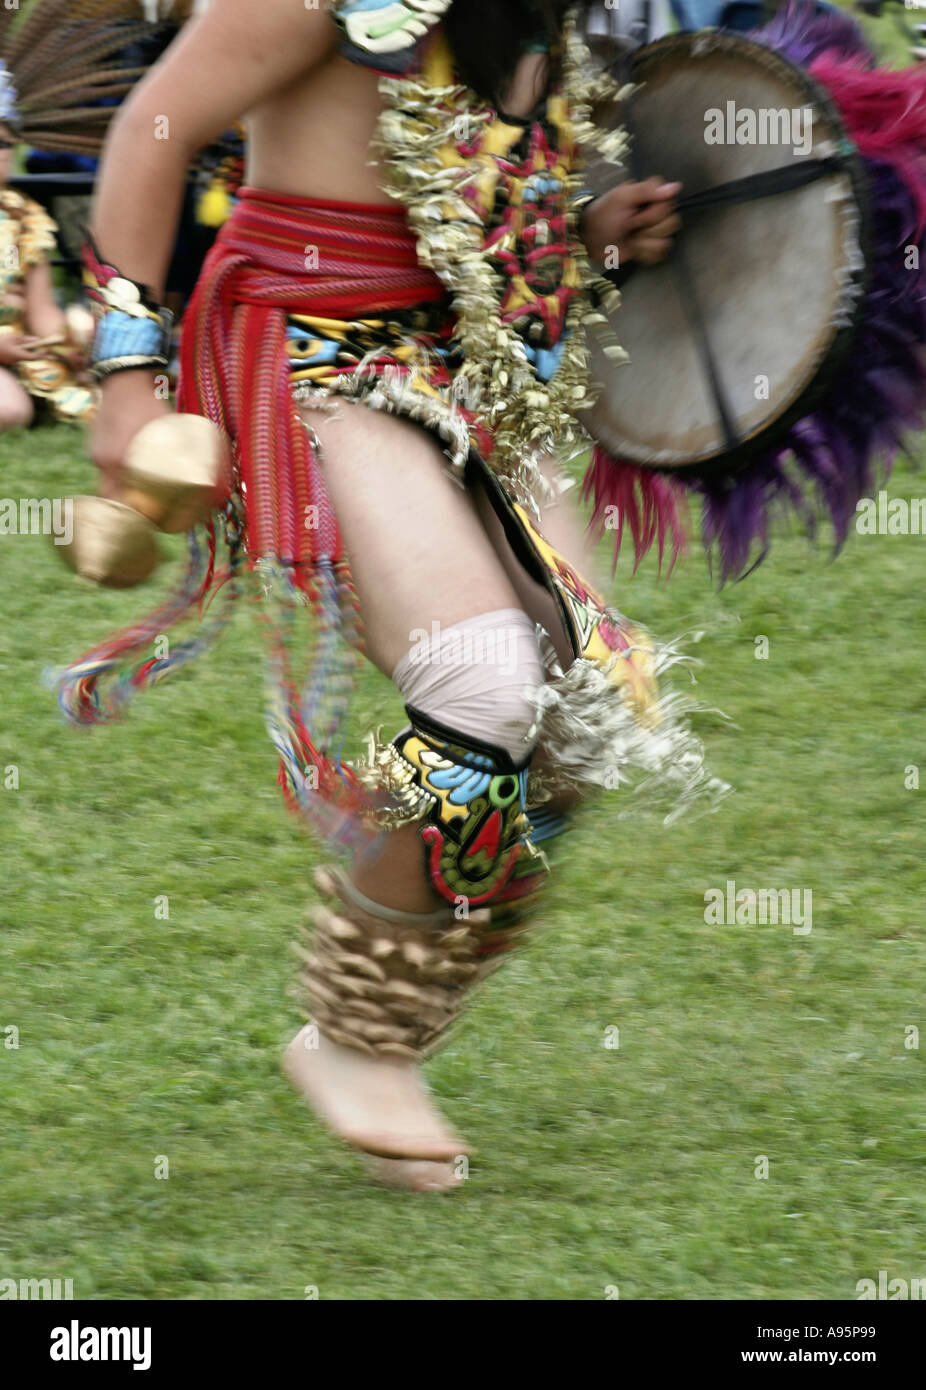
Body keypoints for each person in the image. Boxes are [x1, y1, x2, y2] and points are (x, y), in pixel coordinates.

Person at [65, 0, 720, 1193]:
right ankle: (363, 1047)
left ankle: (375, 1029)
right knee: (481, 680)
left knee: (582, 714)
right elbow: (151, 132)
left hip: (466, 368)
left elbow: (470, 200)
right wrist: (123, 378)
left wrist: (587, 226)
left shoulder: (543, 15)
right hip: (312, 354)